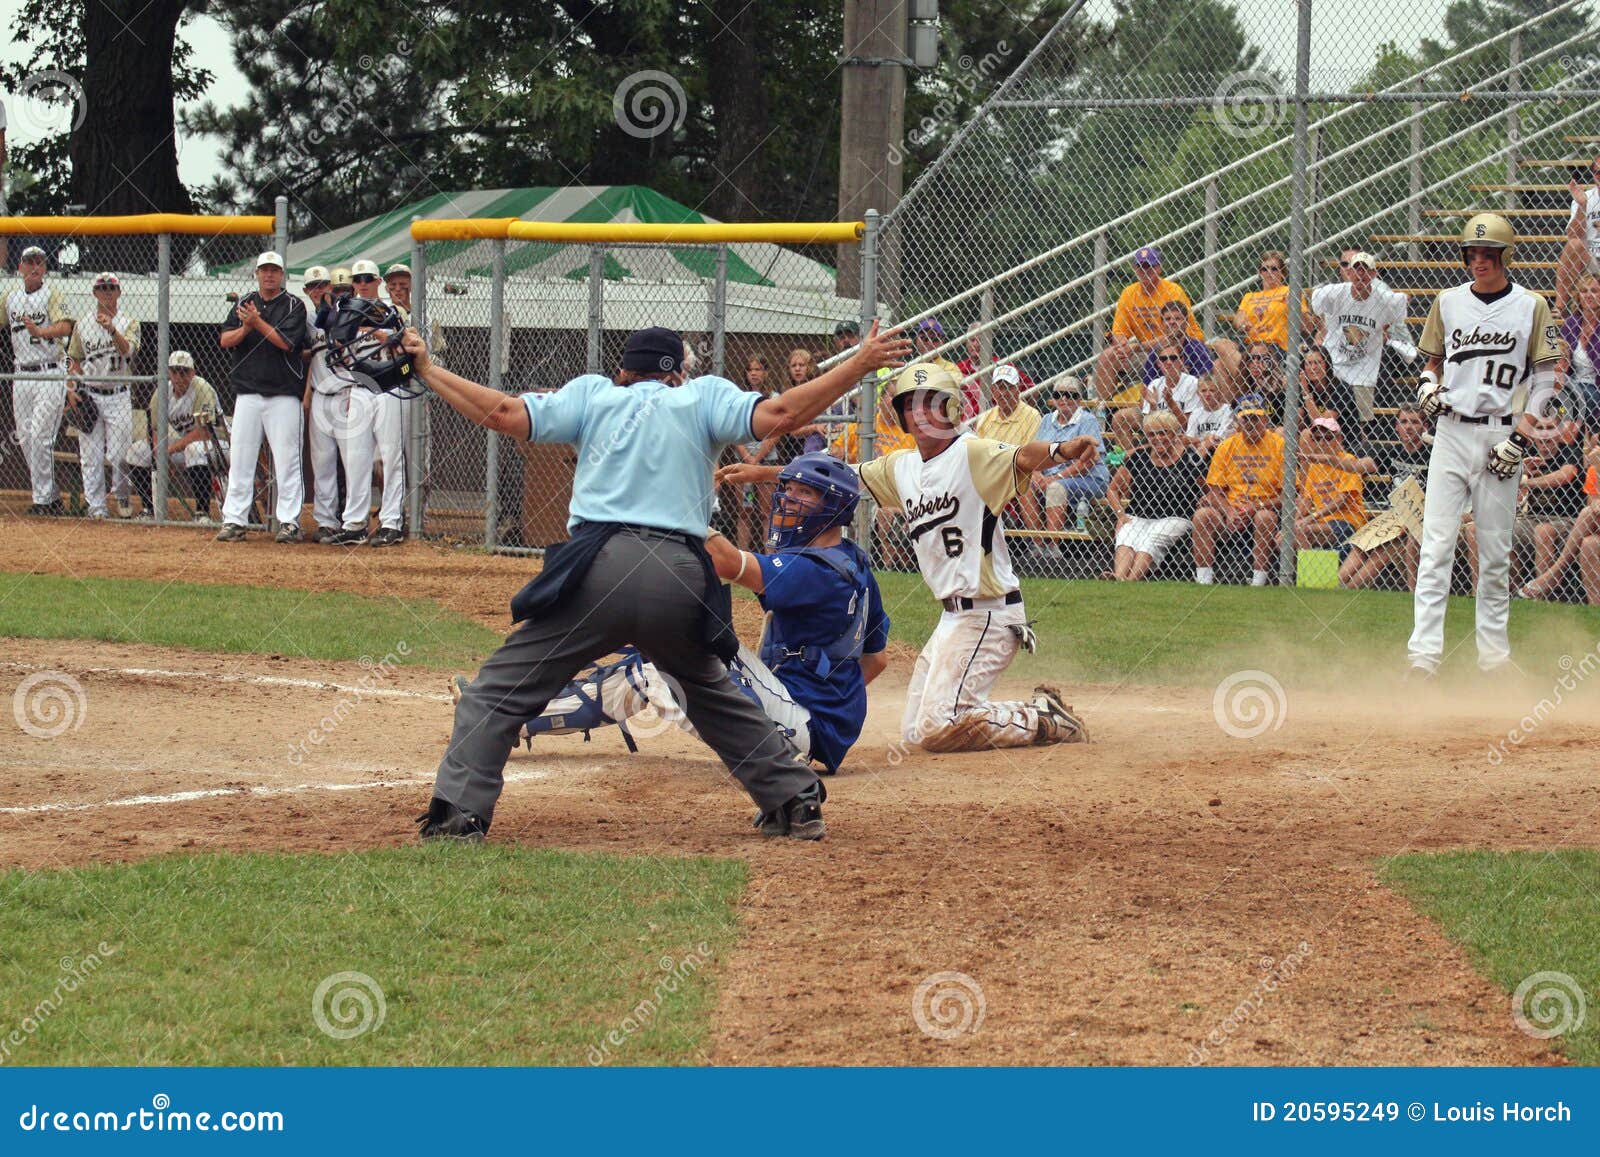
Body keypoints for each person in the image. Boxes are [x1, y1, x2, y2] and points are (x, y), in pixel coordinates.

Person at [409, 321, 911, 843]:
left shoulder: (593, 394)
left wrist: (427, 368)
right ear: (680, 374)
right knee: (703, 687)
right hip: (681, 574)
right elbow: (784, 414)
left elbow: (502, 413)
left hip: (599, 565)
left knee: (494, 693)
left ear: (623, 371)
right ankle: (794, 798)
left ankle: (458, 817)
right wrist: (859, 363)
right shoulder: (702, 398)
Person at [525, 454, 891, 786]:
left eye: (806, 493)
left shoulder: (816, 570)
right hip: (807, 723)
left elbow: (728, 563)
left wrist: (677, 506)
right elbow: (876, 659)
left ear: (836, 509)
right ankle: (526, 717)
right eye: (788, 489)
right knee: (661, 659)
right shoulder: (852, 563)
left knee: (662, 668)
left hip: (799, 726)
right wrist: (831, 704)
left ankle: (770, 746)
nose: (789, 500)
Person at [1408, 213, 1562, 677]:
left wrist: (1521, 437)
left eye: (1488, 253)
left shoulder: (1531, 305)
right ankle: (1423, 659)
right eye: (1472, 253)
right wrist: (1425, 384)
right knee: (1436, 546)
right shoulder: (1448, 301)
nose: (1479, 260)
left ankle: (1494, 660)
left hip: (1502, 434)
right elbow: (1431, 361)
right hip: (1451, 434)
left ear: (1505, 256)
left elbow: (1547, 378)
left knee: (1495, 554)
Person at [216, 251, 310, 543]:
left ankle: (289, 522)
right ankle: (234, 520)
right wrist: (246, 326)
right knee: (241, 459)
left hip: (283, 395)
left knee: (287, 460)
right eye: (264, 270)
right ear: (256, 273)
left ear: (282, 275)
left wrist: (257, 323)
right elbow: (224, 340)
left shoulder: (294, 305)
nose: (269, 275)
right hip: (248, 393)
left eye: (274, 270)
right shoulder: (245, 303)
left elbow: (286, 343)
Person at [1464, 412, 1585, 591]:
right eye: (1540, 428)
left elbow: (1565, 475)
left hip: (1566, 520)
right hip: (1529, 519)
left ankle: (1539, 596)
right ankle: (1483, 592)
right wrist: (1520, 472)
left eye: (1550, 428)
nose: (1545, 434)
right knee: (1475, 528)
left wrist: (1527, 481)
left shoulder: (1569, 451)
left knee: (1543, 532)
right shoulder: (1526, 454)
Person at [2, 245, 74, 515]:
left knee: (42, 437)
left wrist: (41, 331)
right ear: (19, 267)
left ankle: (43, 500)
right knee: (26, 437)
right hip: (21, 373)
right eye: (28, 262)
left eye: (39, 262)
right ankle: (50, 496)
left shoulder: (52, 293)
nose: (34, 266)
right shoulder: (10, 297)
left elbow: (66, 326)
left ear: (44, 268)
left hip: (49, 372)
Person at [1305, 251, 1413, 430]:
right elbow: (1316, 304)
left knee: (1359, 421)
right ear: (1348, 273)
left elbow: (1402, 302)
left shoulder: (1382, 297)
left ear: (1373, 274)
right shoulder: (1335, 292)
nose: (1360, 274)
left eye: (1365, 270)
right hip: (1335, 360)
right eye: (1355, 270)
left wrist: (1382, 327)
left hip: (1364, 366)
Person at [66, 272, 140, 519]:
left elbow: (128, 351)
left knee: (120, 454)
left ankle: (121, 495)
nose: (107, 291)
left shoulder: (129, 322)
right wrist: (71, 388)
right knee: (90, 455)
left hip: (118, 394)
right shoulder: (82, 323)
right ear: (94, 293)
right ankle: (96, 507)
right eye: (102, 288)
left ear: (119, 292)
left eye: (111, 287)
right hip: (91, 394)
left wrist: (112, 330)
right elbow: (73, 359)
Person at [1191, 394, 1285, 586]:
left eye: (1255, 418)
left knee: (1264, 517)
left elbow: (1288, 495)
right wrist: (1229, 511)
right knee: (1202, 515)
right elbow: (1214, 489)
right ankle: (1203, 580)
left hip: (1264, 508)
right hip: (1231, 511)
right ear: (1238, 421)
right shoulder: (1227, 446)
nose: (1251, 424)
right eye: (1246, 419)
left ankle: (1258, 581)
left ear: (1265, 420)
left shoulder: (1279, 445)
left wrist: (1255, 506)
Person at [345, 259, 407, 546]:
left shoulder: (393, 310)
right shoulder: (345, 311)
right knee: (356, 457)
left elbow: (407, 343)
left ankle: (391, 522)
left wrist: (385, 334)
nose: (363, 283)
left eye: (368, 278)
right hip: (359, 387)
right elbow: (337, 346)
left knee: (390, 456)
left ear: (377, 281)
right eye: (358, 279)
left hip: (389, 386)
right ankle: (354, 523)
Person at [1338, 405, 1431, 591]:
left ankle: (1347, 591)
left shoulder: (1432, 454)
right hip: (1393, 517)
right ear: (1396, 426)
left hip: (1418, 520)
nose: (1408, 427)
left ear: (1425, 426)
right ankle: (1336, 586)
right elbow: (1359, 466)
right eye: (1404, 422)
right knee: (1360, 546)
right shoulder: (1392, 452)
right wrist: (1327, 459)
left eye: (1414, 422)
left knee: (1380, 552)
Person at [1104, 411, 1205, 581]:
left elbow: (1206, 488)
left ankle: (1130, 581)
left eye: (1163, 433)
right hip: (1138, 514)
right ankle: (1118, 577)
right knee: (1126, 536)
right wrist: (1121, 515)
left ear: (1174, 434)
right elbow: (1112, 489)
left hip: (1175, 516)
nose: (1157, 438)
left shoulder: (1190, 458)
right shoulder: (1139, 457)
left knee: (1151, 539)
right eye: (1151, 434)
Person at [128, 351, 224, 521]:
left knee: (194, 449)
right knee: (137, 451)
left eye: (184, 372)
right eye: (175, 371)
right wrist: (160, 454)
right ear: (169, 373)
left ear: (193, 373)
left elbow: (205, 432)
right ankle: (149, 510)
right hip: (184, 446)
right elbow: (154, 430)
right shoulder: (163, 392)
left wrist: (169, 451)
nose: (179, 377)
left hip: (218, 445)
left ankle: (202, 513)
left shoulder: (202, 389)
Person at [1022, 379, 1108, 534]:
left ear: (1079, 400)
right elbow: (1036, 453)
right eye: (1058, 395)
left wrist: (1056, 477)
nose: (1064, 399)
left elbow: (1088, 462)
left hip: (1088, 478)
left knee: (1056, 487)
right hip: (1051, 476)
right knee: (1024, 484)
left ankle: (1052, 546)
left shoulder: (1087, 420)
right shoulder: (1047, 419)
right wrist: (1036, 474)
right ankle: (1038, 544)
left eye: (1070, 395)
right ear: (1053, 399)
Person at [1519, 463, 1600, 601]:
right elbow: (1594, 507)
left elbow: (1565, 475)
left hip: (1567, 517)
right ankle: (1595, 609)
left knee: (1586, 513)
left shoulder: (1571, 455)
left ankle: (1554, 572)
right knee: (1589, 544)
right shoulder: (1596, 467)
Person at [1285, 416, 1367, 551]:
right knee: (1283, 539)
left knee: (1303, 531)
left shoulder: (1347, 461)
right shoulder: (1314, 466)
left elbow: (1342, 500)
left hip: (1347, 521)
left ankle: (1309, 572)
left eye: (1328, 438)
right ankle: (1301, 571)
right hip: (1321, 522)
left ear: (1339, 439)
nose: (1322, 443)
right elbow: (1306, 500)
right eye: (1317, 438)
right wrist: (1291, 525)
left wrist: (1310, 518)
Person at [1115, 334, 1199, 451]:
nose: (1168, 362)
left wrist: (1171, 404)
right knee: (1120, 416)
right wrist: (1153, 406)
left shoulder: (1192, 383)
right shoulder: (1155, 384)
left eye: (1173, 358)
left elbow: (1187, 425)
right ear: (1159, 364)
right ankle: (1125, 459)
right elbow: (1148, 425)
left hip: (1181, 436)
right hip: (1158, 435)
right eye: (1164, 359)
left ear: (1181, 360)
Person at [1555, 154, 1600, 319]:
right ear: (1594, 175)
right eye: (1598, 172)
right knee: (1574, 245)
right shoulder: (1586, 198)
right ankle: (1559, 308)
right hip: (1590, 260)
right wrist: (1582, 206)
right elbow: (1573, 235)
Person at [1138, 300, 1215, 384]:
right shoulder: (1155, 353)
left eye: (1177, 318)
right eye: (1168, 319)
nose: (1172, 322)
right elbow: (1148, 385)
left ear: (1186, 323)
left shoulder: (1198, 350)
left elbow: (1204, 386)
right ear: (1162, 323)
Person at [1558, 272, 1600, 420]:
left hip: (1595, 388)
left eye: (1594, 291)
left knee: (1576, 395)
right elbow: (1561, 358)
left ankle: (1569, 430)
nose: (1588, 295)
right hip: (1571, 384)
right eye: (1584, 291)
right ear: (1578, 296)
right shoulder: (1571, 324)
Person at [1232, 250, 1291, 352]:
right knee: (1221, 345)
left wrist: (1292, 306)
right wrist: (1244, 325)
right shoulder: (1249, 296)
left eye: (1274, 269)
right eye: (1264, 269)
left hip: (1275, 346)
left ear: (1283, 272)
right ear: (1260, 273)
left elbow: (1306, 324)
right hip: (1249, 344)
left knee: (1259, 350)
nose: (1269, 272)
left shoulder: (1288, 291)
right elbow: (1238, 320)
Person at [973, 363, 1042, 444]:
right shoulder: (985, 418)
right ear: (993, 390)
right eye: (1000, 387)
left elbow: (1027, 454)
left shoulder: (1032, 416)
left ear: (1018, 388)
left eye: (1009, 387)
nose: (1004, 393)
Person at [1184, 376, 1233, 460]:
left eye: (1212, 390)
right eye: (1203, 391)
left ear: (1219, 392)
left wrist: (1198, 441)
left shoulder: (1228, 410)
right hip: (1200, 454)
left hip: (1223, 454)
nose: (1207, 394)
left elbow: (1219, 441)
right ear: (1198, 393)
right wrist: (1206, 441)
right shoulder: (1195, 413)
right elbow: (1188, 440)